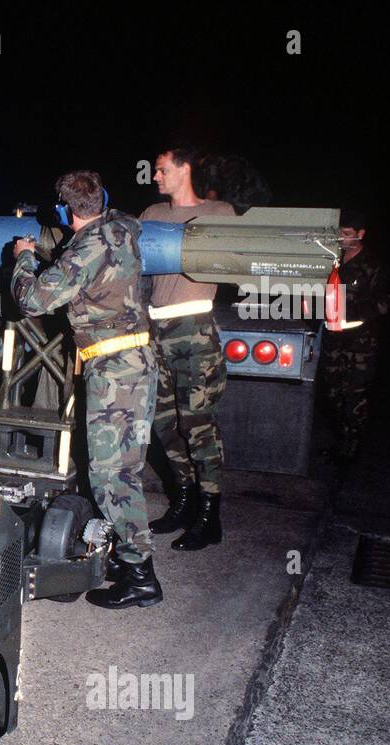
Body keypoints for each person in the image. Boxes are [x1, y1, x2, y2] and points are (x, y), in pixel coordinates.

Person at [12, 171, 163, 609]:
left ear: (64, 211)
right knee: (125, 470)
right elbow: (90, 252)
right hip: (135, 364)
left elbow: (33, 300)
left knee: (110, 477)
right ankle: (125, 555)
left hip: (114, 373)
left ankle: (141, 577)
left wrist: (23, 257)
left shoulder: (85, 247)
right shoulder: (123, 227)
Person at [141, 146, 237, 551]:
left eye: (162, 170)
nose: (155, 177)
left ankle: (209, 515)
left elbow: (234, 265)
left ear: (184, 169)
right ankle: (182, 500)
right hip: (155, 327)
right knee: (164, 423)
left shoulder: (219, 214)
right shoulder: (151, 214)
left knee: (197, 425)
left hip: (194, 329)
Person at [318, 210, 390, 463]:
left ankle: (352, 448)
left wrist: (351, 311)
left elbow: (385, 302)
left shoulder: (373, 266)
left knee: (354, 395)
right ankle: (341, 441)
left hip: (359, 342)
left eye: (348, 234)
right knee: (332, 394)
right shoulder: (334, 260)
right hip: (333, 338)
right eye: (340, 233)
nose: (342, 238)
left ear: (361, 234)